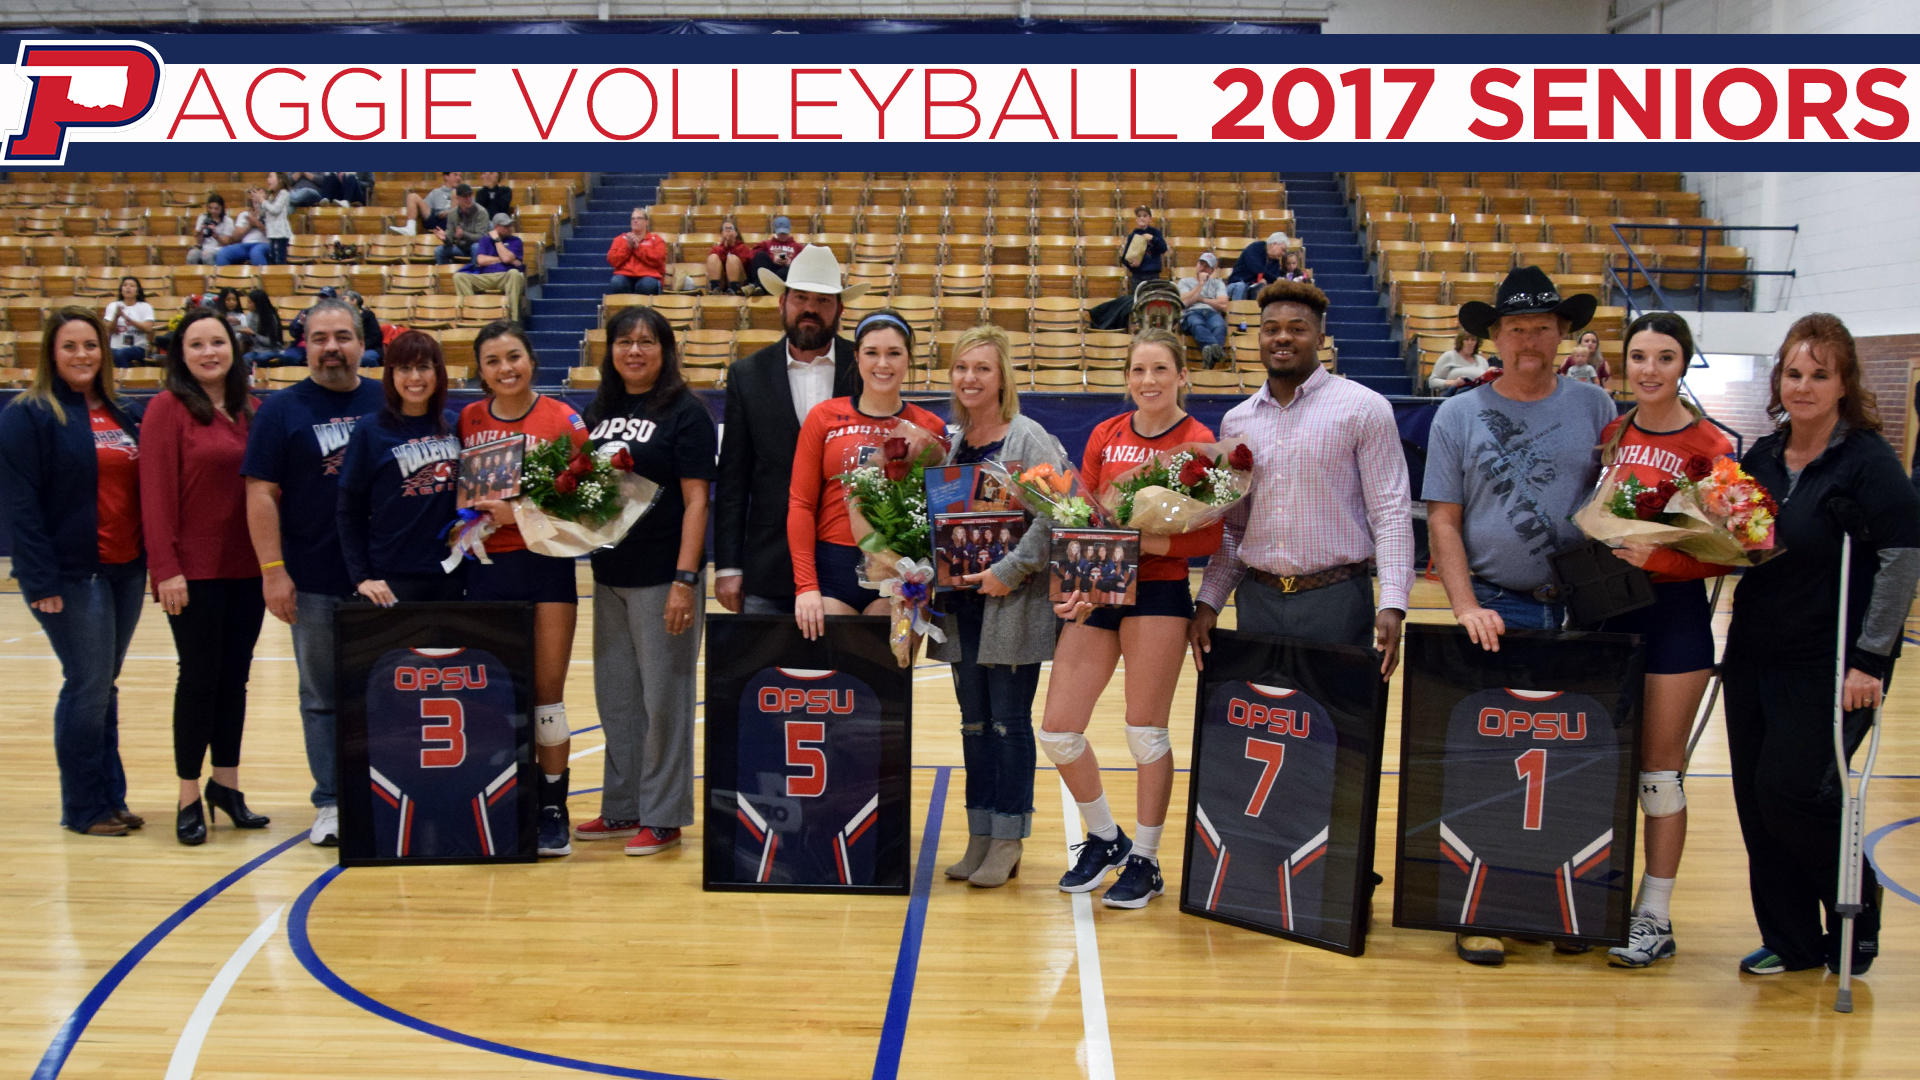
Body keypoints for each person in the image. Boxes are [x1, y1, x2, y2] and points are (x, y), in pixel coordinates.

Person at [1421, 264, 1615, 966]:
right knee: (1486, 771)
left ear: (1564, 335)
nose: (1529, 340)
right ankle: (1477, 907)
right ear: (1492, 337)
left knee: (1568, 772)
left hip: (1582, 615)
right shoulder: (1458, 415)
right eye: (1515, 328)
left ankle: (1547, 906)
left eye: (1542, 327)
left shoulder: (1594, 406)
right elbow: (1442, 520)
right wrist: (1465, 604)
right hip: (1497, 607)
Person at [1721, 313, 1920, 978]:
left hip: (1830, 663)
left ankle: (1854, 903)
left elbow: (1901, 558)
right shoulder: (1763, 458)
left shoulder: (1867, 462)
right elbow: (1746, 548)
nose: (1804, 385)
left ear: (1844, 383)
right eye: (1794, 373)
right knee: (1754, 797)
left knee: (1792, 789)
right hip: (1752, 653)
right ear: (1780, 379)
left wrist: (1870, 659)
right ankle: (1792, 941)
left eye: (1819, 374)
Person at [1576, 312, 1736, 968]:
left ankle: (1654, 915)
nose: (1649, 369)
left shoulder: (1711, 444)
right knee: (1604, 767)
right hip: (1609, 614)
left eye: (1664, 357)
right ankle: (1599, 897)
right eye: (1639, 356)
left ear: (1683, 364)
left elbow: (1730, 550)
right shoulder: (1614, 432)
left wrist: (1659, 560)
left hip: (1674, 621)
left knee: (1659, 776)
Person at [1043, 328, 1223, 909]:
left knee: (1145, 732)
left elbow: (1213, 532)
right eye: (1138, 371)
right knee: (1058, 730)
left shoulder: (1199, 440)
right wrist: (1071, 588)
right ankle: (1105, 837)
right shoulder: (1105, 434)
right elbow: (1086, 517)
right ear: (1127, 379)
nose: (1148, 381)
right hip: (1101, 588)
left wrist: (1148, 545)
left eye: (1159, 370)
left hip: (1161, 593)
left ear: (1181, 377)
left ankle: (1145, 857)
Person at [1189, 280, 1413, 677]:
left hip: (1337, 598)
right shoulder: (1237, 420)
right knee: (1262, 727)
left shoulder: (1364, 408)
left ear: (1320, 337)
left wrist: (1393, 602)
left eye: (1297, 327)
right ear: (1258, 337)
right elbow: (1235, 528)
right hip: (1258, 600)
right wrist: (1209, 600)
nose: (1282, 337)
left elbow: (1390, 513)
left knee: (1336, 731)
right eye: (1271, 328)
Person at [571, 306, 718, 857]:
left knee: (665, 701)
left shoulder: (687, 412)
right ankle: (622, 807)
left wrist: (686, 578)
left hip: (663, 578)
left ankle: (664, 816)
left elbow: (697, 501)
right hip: (608, 576)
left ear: (665, 349)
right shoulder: (598, 411)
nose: (635, 350)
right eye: (625, 341)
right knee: (618, 700)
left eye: (647, 342)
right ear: (610, 351)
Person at [241, 297, 385, 848]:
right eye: (321, 337)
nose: (332, 348)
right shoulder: (281, 411)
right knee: (322, 696)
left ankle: (384, 790)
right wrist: (273, 571)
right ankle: (330, 800)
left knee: (385, 693)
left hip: (384, 578)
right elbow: (260, 494)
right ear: (305, 344)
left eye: (343, 336)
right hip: (317, 578)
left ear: (360, 343)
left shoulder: (384, 398)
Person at [926, 325, 1066, 888]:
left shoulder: (1026, 437)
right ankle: (980, 832)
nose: (970, 378)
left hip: (1010, 606)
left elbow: (1060, 511)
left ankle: (1009, 838)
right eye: (962, 368)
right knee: (973, 725)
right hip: (962, 610)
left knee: (1009, 724)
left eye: (982, 368)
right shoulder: (953, 445)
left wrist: (1010, 571)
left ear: (1002, 376)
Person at [0, 309, 145, 836]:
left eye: (91, 345)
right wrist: (39, 582)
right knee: (85, 685)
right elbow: (21, 507)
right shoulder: (30, 414)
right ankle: (84, 807)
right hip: (71, 574)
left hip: (125, 570)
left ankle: (111, 797)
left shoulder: (121, 411)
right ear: (51, 354)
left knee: (104, 686)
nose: (82, 355)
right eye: (70, 346)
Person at [457, 320, 590, 857]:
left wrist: (520, 514)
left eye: (513, 356)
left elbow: (587, 505)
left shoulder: (563, 418)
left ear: (531, 360)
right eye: (492, 361)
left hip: (546, 569)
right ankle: (501, 800)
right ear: (481, 371)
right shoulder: (467, 418)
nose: (505, 368)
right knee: (495, 698)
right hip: (485, 570)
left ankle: (553, 807)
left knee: (546, 699)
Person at [139, 308, 266, 846]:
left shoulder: (252, 411)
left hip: (248, 570)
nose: (209, 352)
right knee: (198, 680)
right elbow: (156, 495)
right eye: (197, 345)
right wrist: (166, 568)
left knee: (234, 680)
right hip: (193, 573)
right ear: (181, 355)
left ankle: (226, 786)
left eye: (218, 342)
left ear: (234, 350)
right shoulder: (167, 409)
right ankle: (189, 793)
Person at [714, 244, 865, 616]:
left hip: (853, 569)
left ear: (840, 309)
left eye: (823, 300)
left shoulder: (866, 369)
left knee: (845, 676)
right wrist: (729, 566)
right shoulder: (746, 376)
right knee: (768, 675)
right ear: (782, 303)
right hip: (769, 565)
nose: (810, 308)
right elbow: (733, 480)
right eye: (801, 298)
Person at [789, 311, 950, 637]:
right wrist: (805, 585)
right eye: (872, 352)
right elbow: (801, 505)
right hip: (833, 568)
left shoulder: (930, 428)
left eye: (894, 353)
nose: (883, 363)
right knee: (839, 684)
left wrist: (923, 578)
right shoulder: (824, 417)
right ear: (857, 357)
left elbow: (939, 515)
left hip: (898, 572)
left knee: (888, 684)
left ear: (908, 359)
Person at [336, 330, 463, 608]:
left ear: (438, 373)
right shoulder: (370, 430)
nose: (415, 377)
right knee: (398, 654)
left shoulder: (455, 425)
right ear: (390, 375)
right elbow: (348, 511)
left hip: (452, 575)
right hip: (391, 577)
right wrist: (361, 578)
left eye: (423, 367)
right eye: (404, 368)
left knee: (449, 654)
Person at [453, 214, 528, 320]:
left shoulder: (516, 241)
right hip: (486, 277)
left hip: (505, 276)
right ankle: (474, 315)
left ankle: (512, 319)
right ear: (496, 227)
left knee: (514, 274)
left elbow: (506, 258)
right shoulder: (485, 240)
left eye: (510, 225)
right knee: (459, 277)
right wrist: (503, 258)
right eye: (505, 226)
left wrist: (497, 240)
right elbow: (481, 260)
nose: (509, 228)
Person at [1177, 251, 1231, 368]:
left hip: (1212, 313)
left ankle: (1209, 355)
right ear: (1197, 265)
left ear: (1212, 271)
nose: (1203, 268)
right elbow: (1183, 302)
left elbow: (1223, 305)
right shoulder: (1184, 282)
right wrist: (1201, 284)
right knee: (1197, 323)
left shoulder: (1217, 283)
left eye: (1206, 266)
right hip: (1191, 313)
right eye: (1201, 264)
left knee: (1220, 325)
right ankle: (1217, 351)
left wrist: (1201, 299)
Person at [607, 207, 667, 295]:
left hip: (649, 276)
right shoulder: (619, 239)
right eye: (633, 218)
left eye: (639, 218)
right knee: (617, 282)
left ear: (646, 222)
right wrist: (628, 247)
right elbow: (612, 260)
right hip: (625, 275)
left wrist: (638, 248)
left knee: (646, 285)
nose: (635, 220)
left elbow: (659, 260)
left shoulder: (656, 240)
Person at [102, 276, 155, 368]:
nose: (128, 287)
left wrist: (128, 319)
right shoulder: (112, 306)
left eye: (132, 286)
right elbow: (108, 330)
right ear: (121, 290)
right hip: (115, 347)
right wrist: (116, 317)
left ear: (137, 291)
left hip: (138, 347)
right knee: (112, 354)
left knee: (120, 354)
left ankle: (123, 380)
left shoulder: (145, 307)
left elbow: (148, 328)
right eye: (125, 285)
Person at [434, 184, 493, 266]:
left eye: (470, 195)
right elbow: (450, 240)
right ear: (458, 199)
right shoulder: (452, 214)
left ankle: (473, 275)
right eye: (465, 196)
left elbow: (482, 237)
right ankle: (447, 276)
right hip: (461, 248)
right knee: (439, 251)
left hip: (479, 249)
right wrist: (445, 238)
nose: (468, 199)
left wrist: (463, 234)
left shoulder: (481, 212)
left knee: (476, 247)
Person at [214, 189, 270, 267]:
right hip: (245, 246)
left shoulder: (271, 214)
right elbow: (235, 238)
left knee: (256, 252)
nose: (256, 196)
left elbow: (273, 235)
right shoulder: (244, 215)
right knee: (223, 252)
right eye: (255, 194)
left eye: (260, 194)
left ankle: (264, 278)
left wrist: (257, 224)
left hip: (264, 245)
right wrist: (249, 225)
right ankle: (222, 278)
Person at [747, 216, 805, 292]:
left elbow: (803, 264)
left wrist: (790, 263)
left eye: (784, 233)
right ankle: (760, 286)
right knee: (760, 255)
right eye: (780, 233)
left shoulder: (798, 247)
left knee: (790, 269)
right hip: (769, 270)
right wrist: (772, 258)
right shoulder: (765, 244)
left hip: (785, 275)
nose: (782, 236)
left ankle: (757, 285)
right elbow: (752, 257)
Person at [1226, 232, 1289, 302]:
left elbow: (1272, 281)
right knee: (1241, 287)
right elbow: (1257, 268)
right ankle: (1237, 312)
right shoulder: (1255, 248)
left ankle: (1257, 312)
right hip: (1237, 283)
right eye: (1283, 249)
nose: (1283, 254)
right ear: (1274, 244)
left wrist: (1267, 282)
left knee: (1261, 289)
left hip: (1254, 288)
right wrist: (1275, 279)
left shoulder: (1276, 263)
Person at [394, 171, 460, 237]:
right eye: (455, 175)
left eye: (459, 176)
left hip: (453, 221)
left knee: (455, 195)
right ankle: (410, 228)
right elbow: (425, 208)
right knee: (412, 196)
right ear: (446, 177)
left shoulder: (462, 193)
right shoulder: (436, 192)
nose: (458, 178)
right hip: (436, 218)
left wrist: (450, 212)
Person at [1119, 205, 1169, 291]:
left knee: (1152, 299)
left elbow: (1163, 248)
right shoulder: (1133, 235)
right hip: (1137, 275)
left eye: (1145, 216)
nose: (1142, 218)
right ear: (1136, 220)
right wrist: (1131, 264)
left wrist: (1153, 239)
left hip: (1153, 274)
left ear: (1150, 219)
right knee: (1138, 299)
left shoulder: (1155, 233)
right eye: (1139, 216)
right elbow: (1124, 258)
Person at [1428, 330, 1489, 394]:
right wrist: (1453, 382)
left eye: (1473, 340)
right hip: (1453, 395)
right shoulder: (1449, 356)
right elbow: (1432, 382)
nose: (1470, 343)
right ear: (1460, 341)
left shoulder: (1482, 361)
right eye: (1466, 339)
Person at [705, 218, 754, 295]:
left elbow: (745, 264)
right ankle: (715, 288)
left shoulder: (742, 247)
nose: (728, 231)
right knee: (712, 257)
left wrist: (732, 247)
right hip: (722, 281)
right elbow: (713, 264)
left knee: (732, 258)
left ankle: (734, 289)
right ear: (721, 233)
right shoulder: (716, 248)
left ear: (736, 233)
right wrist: (725, 248)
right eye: (725, 229)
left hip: (739, 280)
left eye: (731, 228)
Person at [237, 289, 284, 366]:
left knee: (262, 358)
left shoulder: (271, 318)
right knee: (246, 358)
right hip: (256, 350)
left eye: (250, 302)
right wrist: (242, 331)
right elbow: (248, 339)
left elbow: (271, 342)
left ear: (257, 303)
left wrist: (254, 334)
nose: (247, 305)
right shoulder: (249, 316)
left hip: (273, 349)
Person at [259, 172, 293, 266]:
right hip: (272, 233)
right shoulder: (271, 196)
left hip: (280, 233)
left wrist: (263, 201)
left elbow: (275, 210)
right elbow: (263, 213)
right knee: (272, 260)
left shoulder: (284, 193)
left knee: (279, 260)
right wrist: (261, 200)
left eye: (270, 177)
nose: (267, 180)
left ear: (279, 180)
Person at [187, 194, 231, 265]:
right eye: (210, 208)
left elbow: (225, 243)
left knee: (206, 255)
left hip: (220, 249)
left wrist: (216, 236)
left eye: (216, 208)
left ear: (222, 208)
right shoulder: (202, 217)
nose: (213, 211)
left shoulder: (228, 221)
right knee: (191, 254)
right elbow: (199, 242)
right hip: (204, 248)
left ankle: (212, 275)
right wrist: (200, 231)